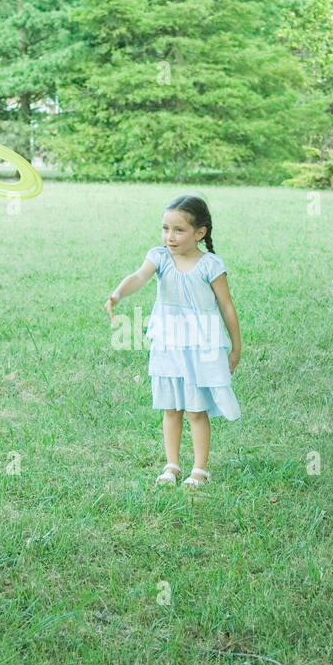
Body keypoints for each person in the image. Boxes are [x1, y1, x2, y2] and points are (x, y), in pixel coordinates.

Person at [106, 195, 241, 488]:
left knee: (195, 409)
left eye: (179, 230)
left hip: (200, 346)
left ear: (200, 233)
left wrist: (235, 347)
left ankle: (200, 469)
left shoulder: (210, 265)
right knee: (171, 407)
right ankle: (172, 465)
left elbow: (227, 307)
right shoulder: (159, 257)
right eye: (165, 228)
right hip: (168, 344)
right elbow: (138, 277)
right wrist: (118, 294)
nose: (170, 236)